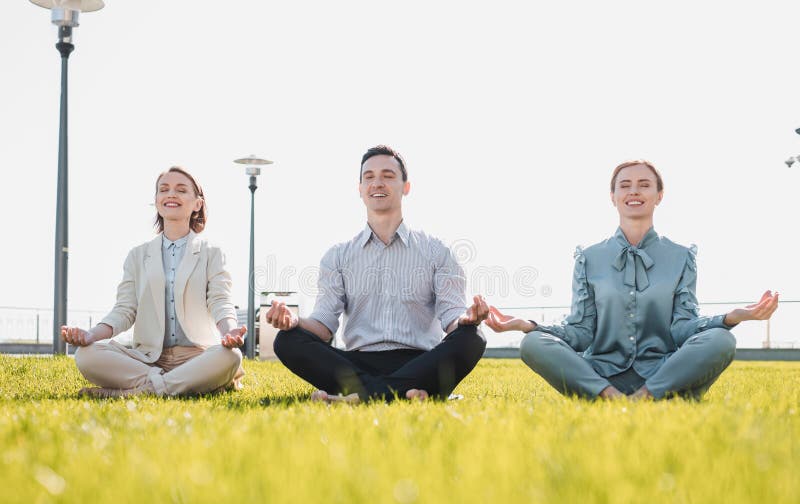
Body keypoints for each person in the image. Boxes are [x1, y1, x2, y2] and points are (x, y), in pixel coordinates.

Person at [485, 160, 779, 400]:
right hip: (600, 372)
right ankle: (609, 396)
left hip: (661, 371)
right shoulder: (589, 257)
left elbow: (682, 329)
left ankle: (647, 396)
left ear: (659, 195)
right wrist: (528, 325)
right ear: (612, 197)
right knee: (533, 343)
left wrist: (731, 317)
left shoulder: (681, 257)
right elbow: (580, 332)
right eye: (624, 185)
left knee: (722, 339)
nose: (634, 191)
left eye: (644, 184)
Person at [269, 145, 488, 403]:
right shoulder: (337, 256)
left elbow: (452, 318)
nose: (377, 183)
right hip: (357, 363)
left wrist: (467, 318)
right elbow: (324, 326)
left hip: (419, 363)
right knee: (286, 341)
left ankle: (358, 396)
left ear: (406, 187)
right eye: (369, 177)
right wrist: (295, 321)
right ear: (360, 189)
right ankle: (406, 393)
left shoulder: (437, 251)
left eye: (388, 175)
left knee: (472, 337)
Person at [61, 166, 247, 398]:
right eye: (164, 189)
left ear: (197, 204)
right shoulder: (137, 256)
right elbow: (124, 310)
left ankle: (132, 393)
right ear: (157, 200)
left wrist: (229, 332)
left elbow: (220, 300)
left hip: (197, 357)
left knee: (230, 357)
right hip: (148, 360)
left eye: (181, 190)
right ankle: (180, 384)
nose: (171, 194)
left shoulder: (212, 253)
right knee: (86, 355)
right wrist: (90, 335)